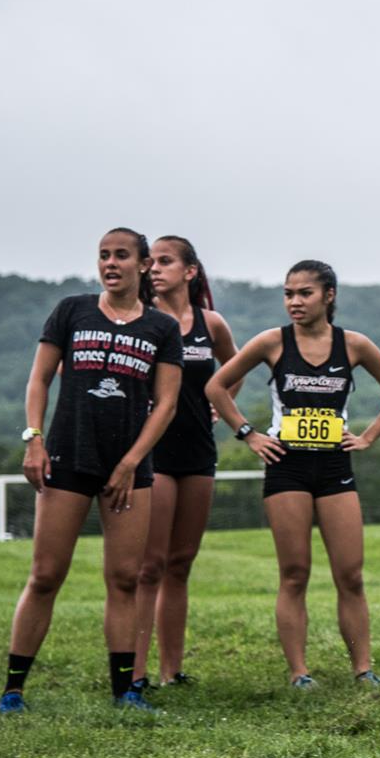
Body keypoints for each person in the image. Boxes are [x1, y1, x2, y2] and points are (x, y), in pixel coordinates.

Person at [0, 228, 182, 715]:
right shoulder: (72, 311)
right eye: (104, 255)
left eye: (121, 255)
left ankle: (125, 691)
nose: (110, 263)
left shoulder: (162, 328)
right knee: (45, 575)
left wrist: (129, 463)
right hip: (67, 458)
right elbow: (39, 378)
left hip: (129, 467)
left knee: (124, 579)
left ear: (143, 264)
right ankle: (13, 690)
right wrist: (33, 438)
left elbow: (165, 404)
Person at [207, 261, 380, 689]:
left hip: (335, 467)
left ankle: (363, 668)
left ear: (329, 296)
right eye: (288, 294)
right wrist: (248, 434)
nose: (294, 302)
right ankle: (299, 672)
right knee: (295, 573)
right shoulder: (271, 342)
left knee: (350, 574)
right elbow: (216, 386)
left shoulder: (353, 345)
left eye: (304, 293)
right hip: (287, 469)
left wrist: (368, 437)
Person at [131, 236, 240, 692]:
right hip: (152, 454)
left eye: (166, 262)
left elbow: (233, 370)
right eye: (151, 262)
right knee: (150, 565)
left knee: (180, 564)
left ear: (190, 271)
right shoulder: (140, 321)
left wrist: (221, 404)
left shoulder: (210, 324)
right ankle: (132, 672)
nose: (155, 269)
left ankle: (171, 670)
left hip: (198, 452)